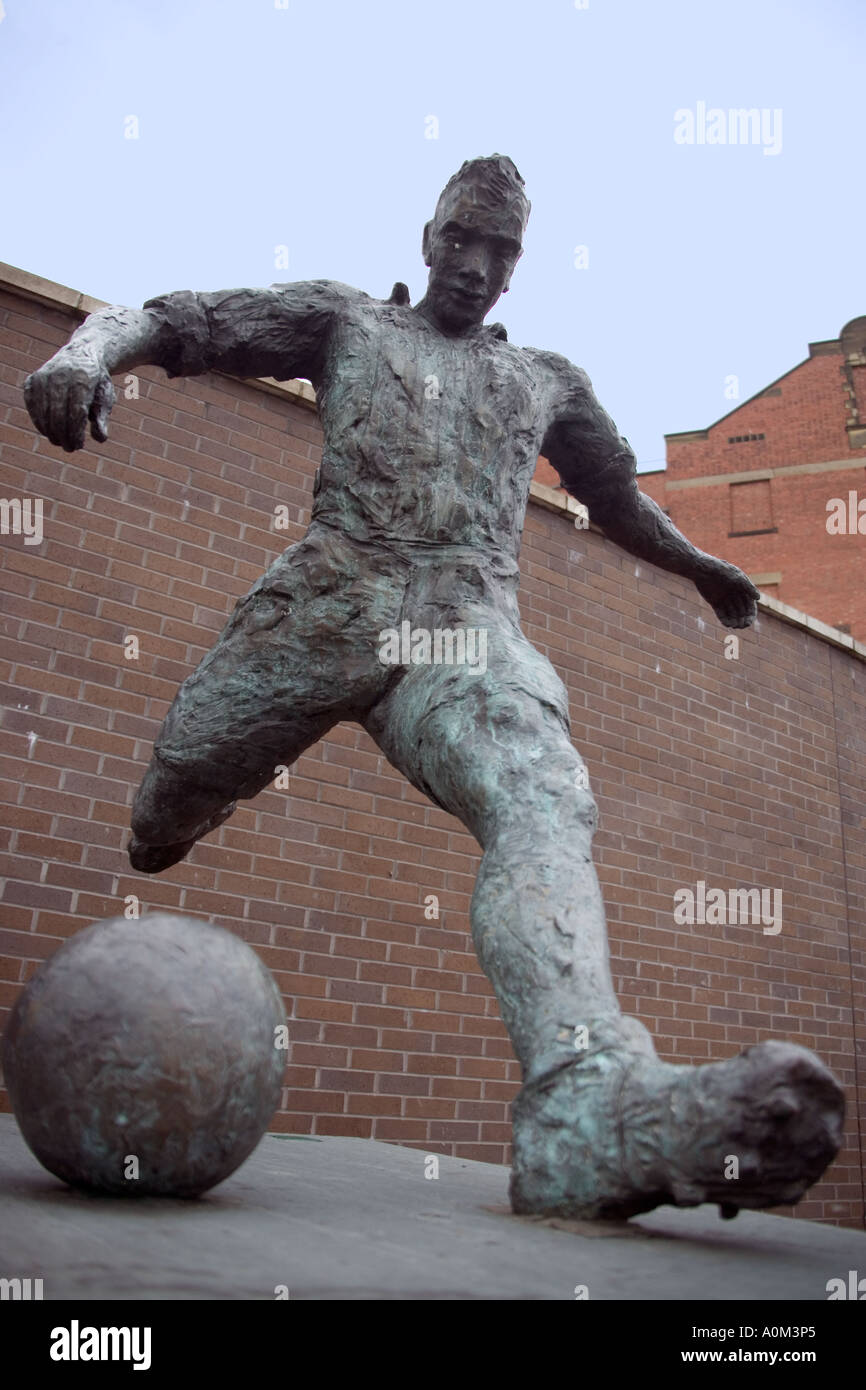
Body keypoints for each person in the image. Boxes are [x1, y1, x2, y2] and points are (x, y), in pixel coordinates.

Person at [24, 155, 843, 1219]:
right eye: (460, 239)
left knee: (542, 799)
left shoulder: (542, 380)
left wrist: (702, 569)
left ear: (516, 267)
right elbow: (181, 320)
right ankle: (186, 794)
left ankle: (585, 1107)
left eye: (499, 251)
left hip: (462, 637)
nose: (474, 264)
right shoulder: (344, 322)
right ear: (427, 238)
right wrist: (83, 353)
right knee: (160, 813)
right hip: (321, 611)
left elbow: (617, 500)